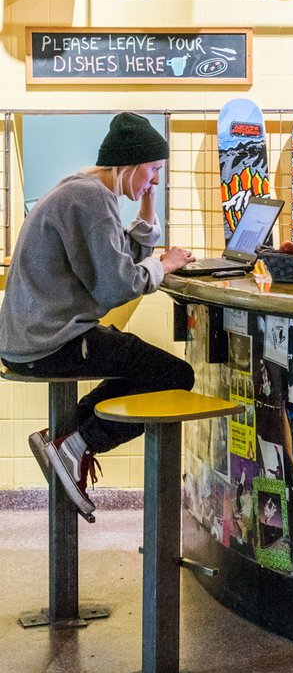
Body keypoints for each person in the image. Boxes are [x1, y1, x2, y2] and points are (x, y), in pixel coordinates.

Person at [0, 113, 196, 522]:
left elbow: (117, 259)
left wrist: (147, 205)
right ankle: (73, 445)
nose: (156, 180)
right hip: (49, 341)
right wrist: (165, 265)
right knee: (174, 377)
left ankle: (67, 441)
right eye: (153, 170)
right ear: (130, 164)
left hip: (35, 339)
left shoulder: (82, 190)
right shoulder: (91, 199)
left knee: (145, 369)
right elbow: (117, 286)